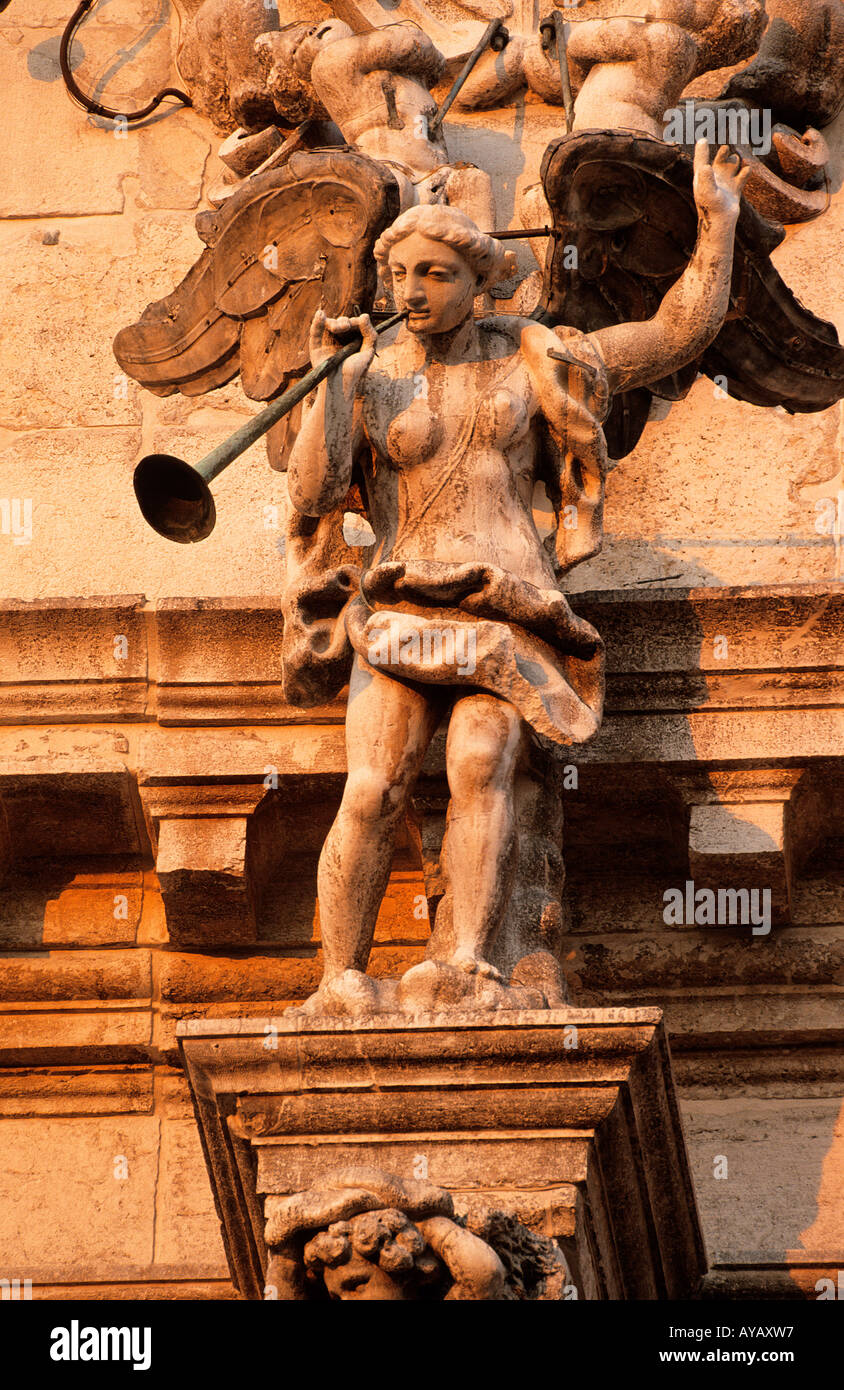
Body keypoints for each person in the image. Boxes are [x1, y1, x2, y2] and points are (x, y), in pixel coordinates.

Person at [286, 141, 748, 1012]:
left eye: (435, 274)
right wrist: (326, 384)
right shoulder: (367, 374)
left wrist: (717, 228)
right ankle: (339, 977)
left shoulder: (536, 359)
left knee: (480, 758)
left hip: (504, 598)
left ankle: (468, 962)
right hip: (399, 601)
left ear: (480, 280)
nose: (413, 293)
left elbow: (674, 335)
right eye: (401, 277)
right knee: (374, 785)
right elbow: (312, 492)